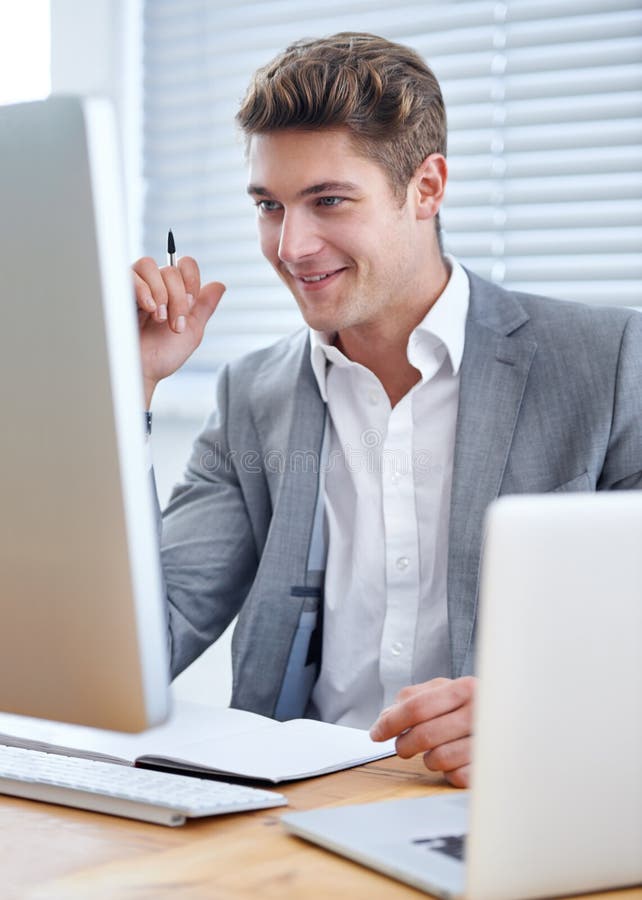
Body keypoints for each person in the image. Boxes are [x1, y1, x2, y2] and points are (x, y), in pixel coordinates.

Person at [133, 33, 642, 788]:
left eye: (328, 201)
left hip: (521, 799)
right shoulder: (252, 396)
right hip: (292, 815)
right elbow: (144, 643)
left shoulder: (605, 361)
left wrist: (545, 710)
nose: (292, 245)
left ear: (427, 187)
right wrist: (126, 392)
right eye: (269, 206)